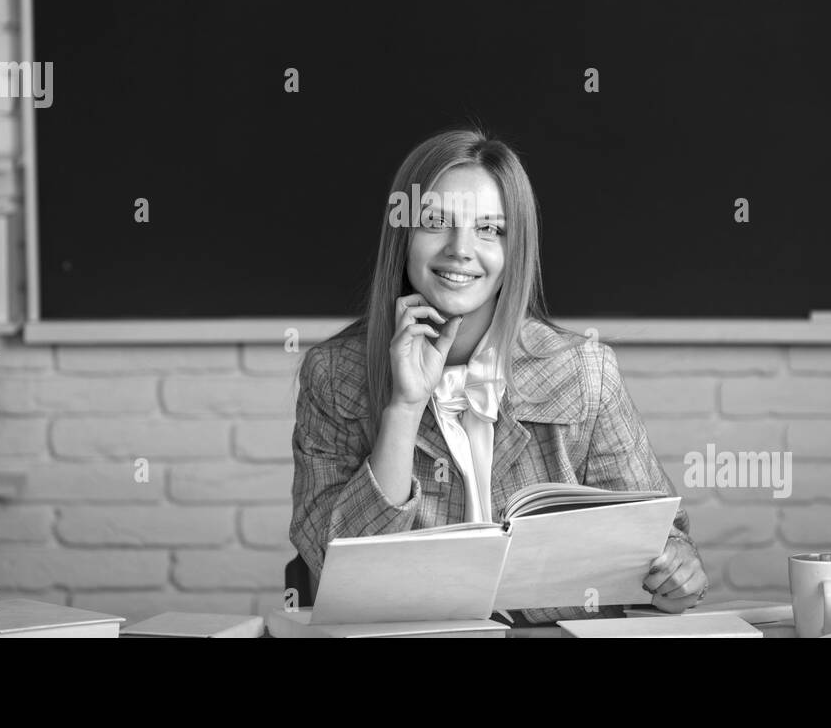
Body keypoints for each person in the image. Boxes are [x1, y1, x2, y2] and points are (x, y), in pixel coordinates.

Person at [289, 126, 707, 624]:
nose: (460, 250)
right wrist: (403, 408)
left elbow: (664, 536)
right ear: (403, 236)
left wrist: (677, 571)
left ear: (515, 251)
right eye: (436, 223)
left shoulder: (583, 370)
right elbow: (332, 564)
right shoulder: (335, 375)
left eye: (490, 229)